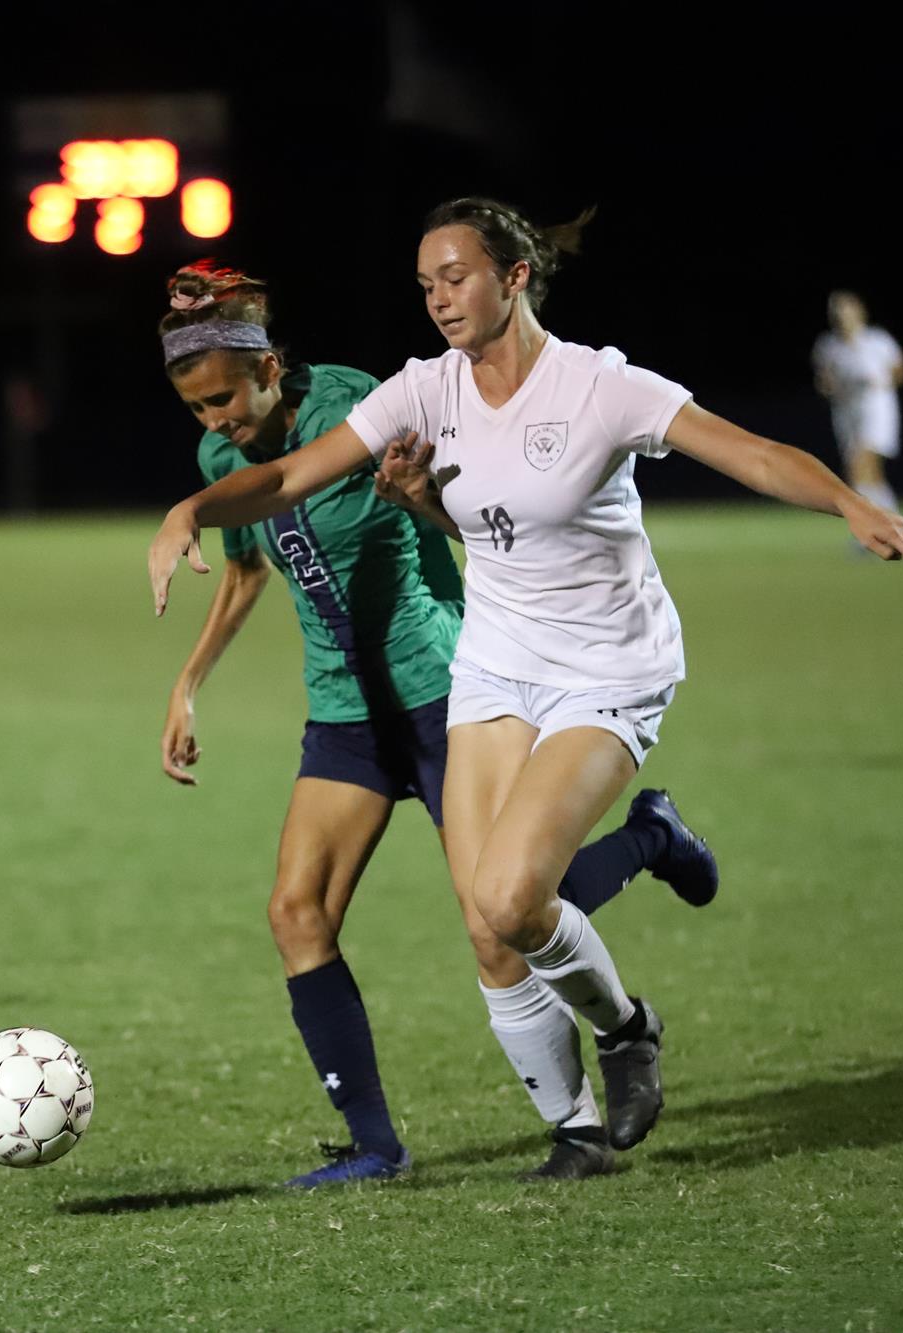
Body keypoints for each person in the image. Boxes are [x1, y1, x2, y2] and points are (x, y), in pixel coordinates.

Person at [149, 198, 903, 1168]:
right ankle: (572, 1134)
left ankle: (624, 1029)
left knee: (516, 893)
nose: (439, 298)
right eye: (425, 283)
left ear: (512, 277)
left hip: (607, 663)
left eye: (456, 276)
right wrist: (191, 507)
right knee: (491, 921)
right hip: (494, 665)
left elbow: (748, 451)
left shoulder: (595, 385)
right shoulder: (421, 391)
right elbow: (286, 480)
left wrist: (849, 502)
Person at [155, 260, 718, 1187]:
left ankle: (650, 836)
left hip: (440, 688)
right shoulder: (223, 460)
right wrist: (187, 683)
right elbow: (252, 568)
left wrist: (419, 497)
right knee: (297, 912)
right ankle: (382, 1142)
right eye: (196, 409)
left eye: (225, 398)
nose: (216, 422)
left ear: (269, 366)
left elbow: (480, 518)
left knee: (510, 908)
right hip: (344, 708)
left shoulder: (360, 406)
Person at [812, 290, 903, 514]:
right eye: (836, 310)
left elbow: (902, 371)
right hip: (846, 410)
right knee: (869, 474)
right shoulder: (827, 346)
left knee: (860, 465)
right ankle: (894, 524)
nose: (840, 314)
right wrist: (828, 387)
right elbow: (824, 380)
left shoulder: (878, 340)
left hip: (876, 408)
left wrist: (881, 382)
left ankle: (868, 527)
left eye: (845, 308)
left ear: (859, 311)